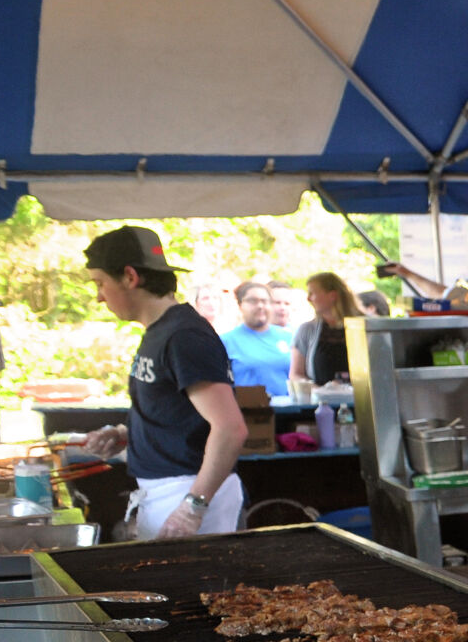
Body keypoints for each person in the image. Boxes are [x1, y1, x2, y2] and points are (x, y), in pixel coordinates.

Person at [77, 227, 248, 539]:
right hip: (167, 490)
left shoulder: (184, 336)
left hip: (190, 489)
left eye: (100, 283)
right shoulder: (162, 331)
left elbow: (230, 428)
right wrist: (125, 435)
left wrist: (193, 506)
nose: (98, 295)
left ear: (130, 277)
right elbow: (180, 414)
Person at [218, 280, 293, 399]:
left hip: (291, 410)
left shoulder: (290, 337)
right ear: (240, 305)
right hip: (251, 412)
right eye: (253, 301)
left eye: (265, 301)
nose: (260, 306)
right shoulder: (226, 341)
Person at [289, 272, 361, 388]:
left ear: (332, 295)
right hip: (321, 404)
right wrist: (318, 391)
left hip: (362, 402)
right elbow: (296, 374)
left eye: (312, 293)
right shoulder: (307, 330)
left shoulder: (365, 327)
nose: (308, 299)